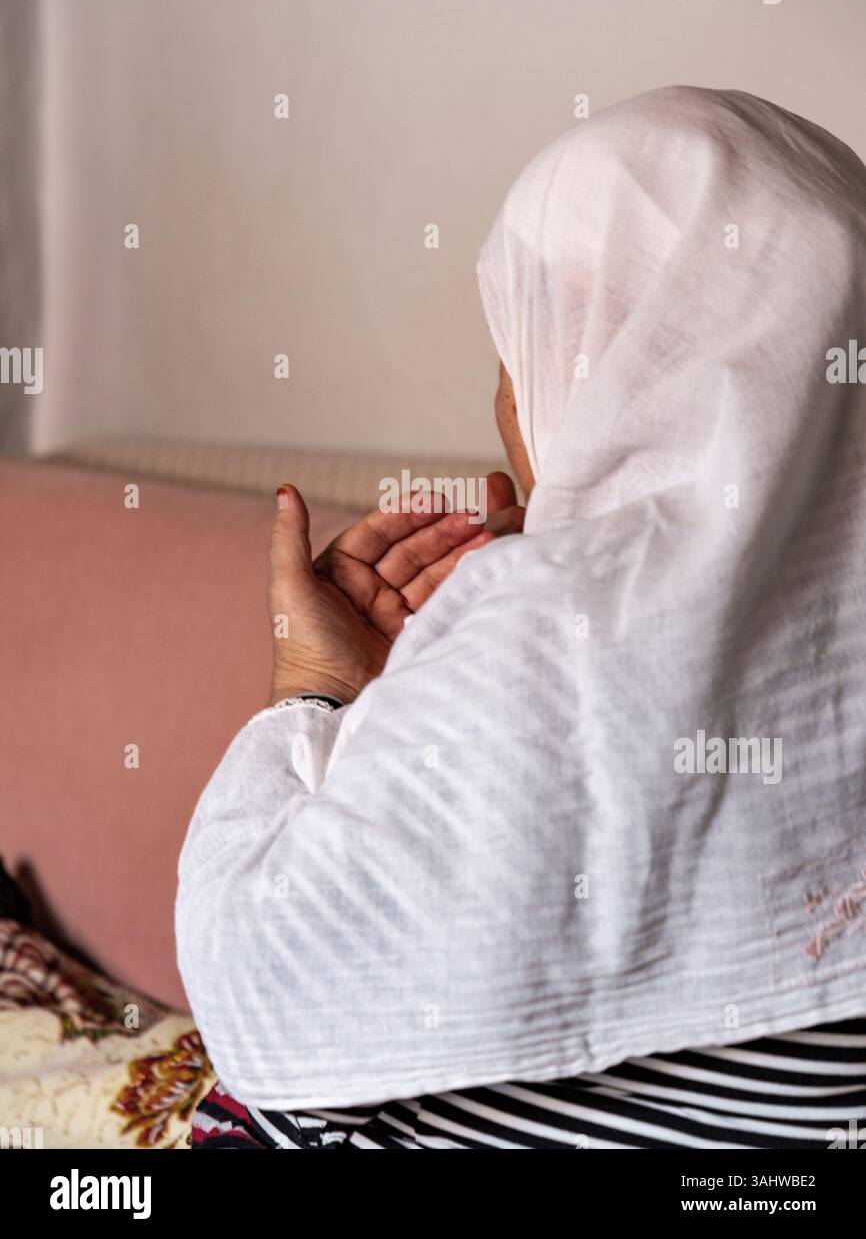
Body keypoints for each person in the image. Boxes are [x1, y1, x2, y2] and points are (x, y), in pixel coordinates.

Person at [178, 86, 866, 1148]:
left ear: (604, 343)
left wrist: (315, 694)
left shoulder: (538, 631)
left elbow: (254, 981)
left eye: (519, 334)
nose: (505, 391)